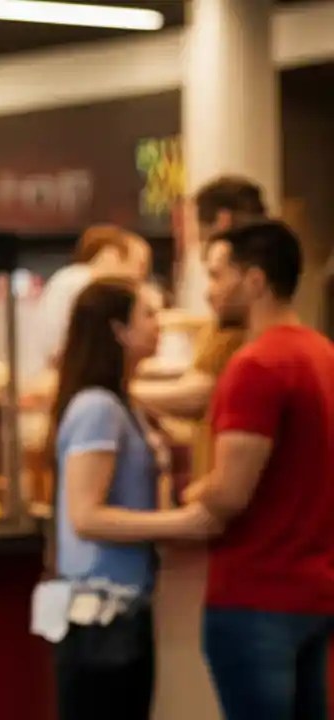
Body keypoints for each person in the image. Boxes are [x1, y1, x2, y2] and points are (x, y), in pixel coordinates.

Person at [40, 278, 220, 720]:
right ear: (118, 329)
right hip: (101, 615)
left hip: (124, 612)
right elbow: (86, 515)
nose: (159, 325)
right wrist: (181, 523)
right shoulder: (98, 409)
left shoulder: (125, 406)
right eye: (148, 314)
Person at [187, 219, 334, 719]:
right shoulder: (324, 355)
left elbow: (229, 493)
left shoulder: (256, 365)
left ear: (253, 281)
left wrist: (192, 491)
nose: (209, 292)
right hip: (316, 593)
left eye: (216, 275)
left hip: (256, 596)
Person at [132, 176, 268, 480]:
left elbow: (200, 394)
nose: (209, 292)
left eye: (216, 276)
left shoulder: (243, 327)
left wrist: (116, 391)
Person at [26, 225, 151, 405]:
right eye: (140, 266)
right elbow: (61, 353)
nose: (140, 278)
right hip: (54, 391)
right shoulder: (81, 284)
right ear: (112, 255)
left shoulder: (74, 280)